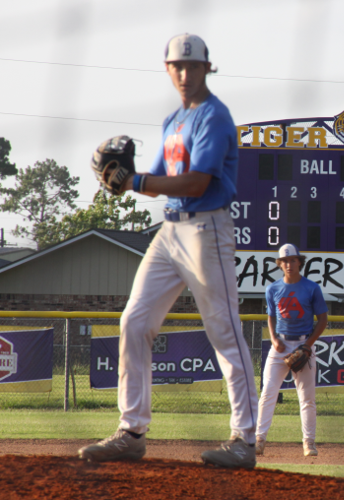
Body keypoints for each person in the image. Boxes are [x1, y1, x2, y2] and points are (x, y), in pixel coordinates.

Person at [78, 33, 259, 468]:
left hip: (208, 227)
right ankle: (132, 431)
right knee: (135, 321)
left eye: (192, 66)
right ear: (168, 70)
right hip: (171, 230)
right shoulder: (173, 121)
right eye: (177, 66)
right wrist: (123, 179)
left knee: (224, 332)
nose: (184, 73)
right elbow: (155, 178)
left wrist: (135, 181)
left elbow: (196, 182)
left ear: (206, 68)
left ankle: (244, 441)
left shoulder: (215, 117)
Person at [257, 243, 328, 457]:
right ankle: (259, 440)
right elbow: (270, 316)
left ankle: (309, 443)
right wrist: (273, 338)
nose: (289, 264)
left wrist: (309, 344)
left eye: (292, 260)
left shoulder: (312, 288)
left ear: (300, 262)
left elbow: (323, 319)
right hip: (279, 346)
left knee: (307, 398)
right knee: (268, 394)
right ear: (280, 264)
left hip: (303, 345)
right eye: (284, 261)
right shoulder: (272, 288)